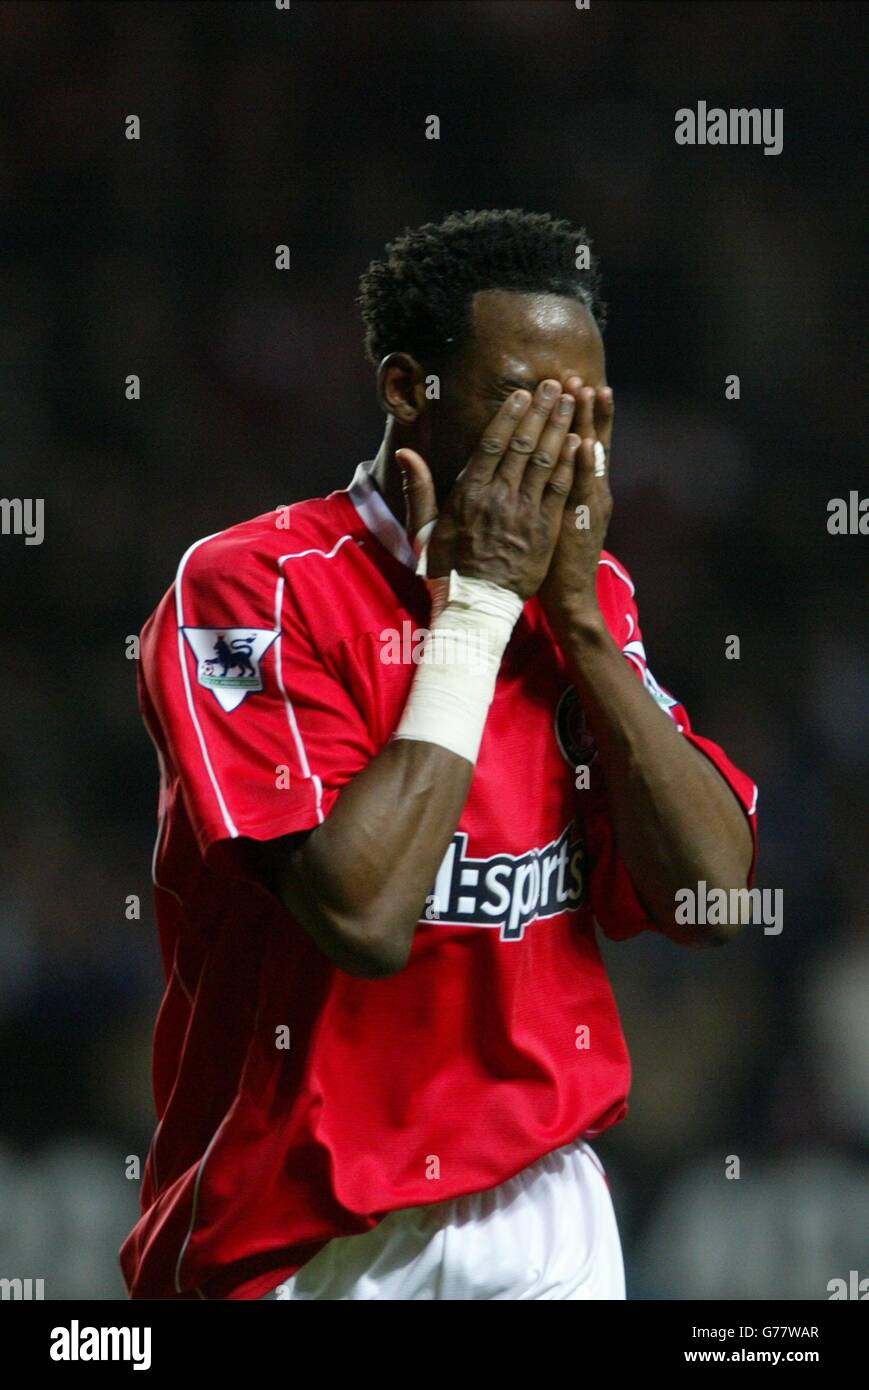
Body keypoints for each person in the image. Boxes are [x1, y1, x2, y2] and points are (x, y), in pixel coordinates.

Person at [121, 209, 757, 1301]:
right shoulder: (249, 588)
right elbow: (363, 917)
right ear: (405, 387)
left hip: (542, 1209)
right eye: (524, 401)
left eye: (584, 409)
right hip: (303, 1230)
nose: (560, 444)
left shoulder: (590, 595)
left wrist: (582, 627)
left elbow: (710, 898)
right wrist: (474, 615)